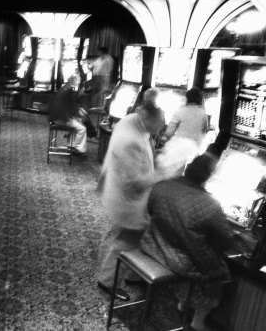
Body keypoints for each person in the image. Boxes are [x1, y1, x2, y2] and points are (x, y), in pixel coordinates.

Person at [141, 153, 233, 331]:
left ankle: (184, 302)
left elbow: (151, 211)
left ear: (188, 168)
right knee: (217, 273)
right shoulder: (210, 204)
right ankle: (197, 321)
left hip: (153, 246)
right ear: (208, 177)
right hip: (179, 260)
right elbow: (225, 241)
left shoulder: (162, 185)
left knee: (192, 251)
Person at [96, 101, 172, 301]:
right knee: (127, 239)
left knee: (139, 235)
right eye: (159, 123)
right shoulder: (132, 140)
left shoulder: (132, 122)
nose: (161, 127)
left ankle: (132, 274)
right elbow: (134, 182)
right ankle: (107, 280)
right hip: (127, 199)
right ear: (147, 118)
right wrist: (162, 175)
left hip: (119, 192)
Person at [157, 87, 209, 176]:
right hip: (193, 148)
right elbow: (204, 131)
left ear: (187, 98)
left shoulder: (180, 111)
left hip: (178, 146)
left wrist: (162, 140)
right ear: (200, 100)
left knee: (166, 170)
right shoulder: (203, 114)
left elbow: (169, 131)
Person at [48, 73, 88, 155]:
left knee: (78, 121)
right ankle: (79, 149)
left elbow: (70, 106)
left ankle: (71, 144)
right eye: (78, 80)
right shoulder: (69, 91)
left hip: (55, 117)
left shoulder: (64, 87)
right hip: (61, 119)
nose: (79, 82)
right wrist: (80, 113)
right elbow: (72, 109)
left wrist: (79, 111)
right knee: (82, 128)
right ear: (74, 81)